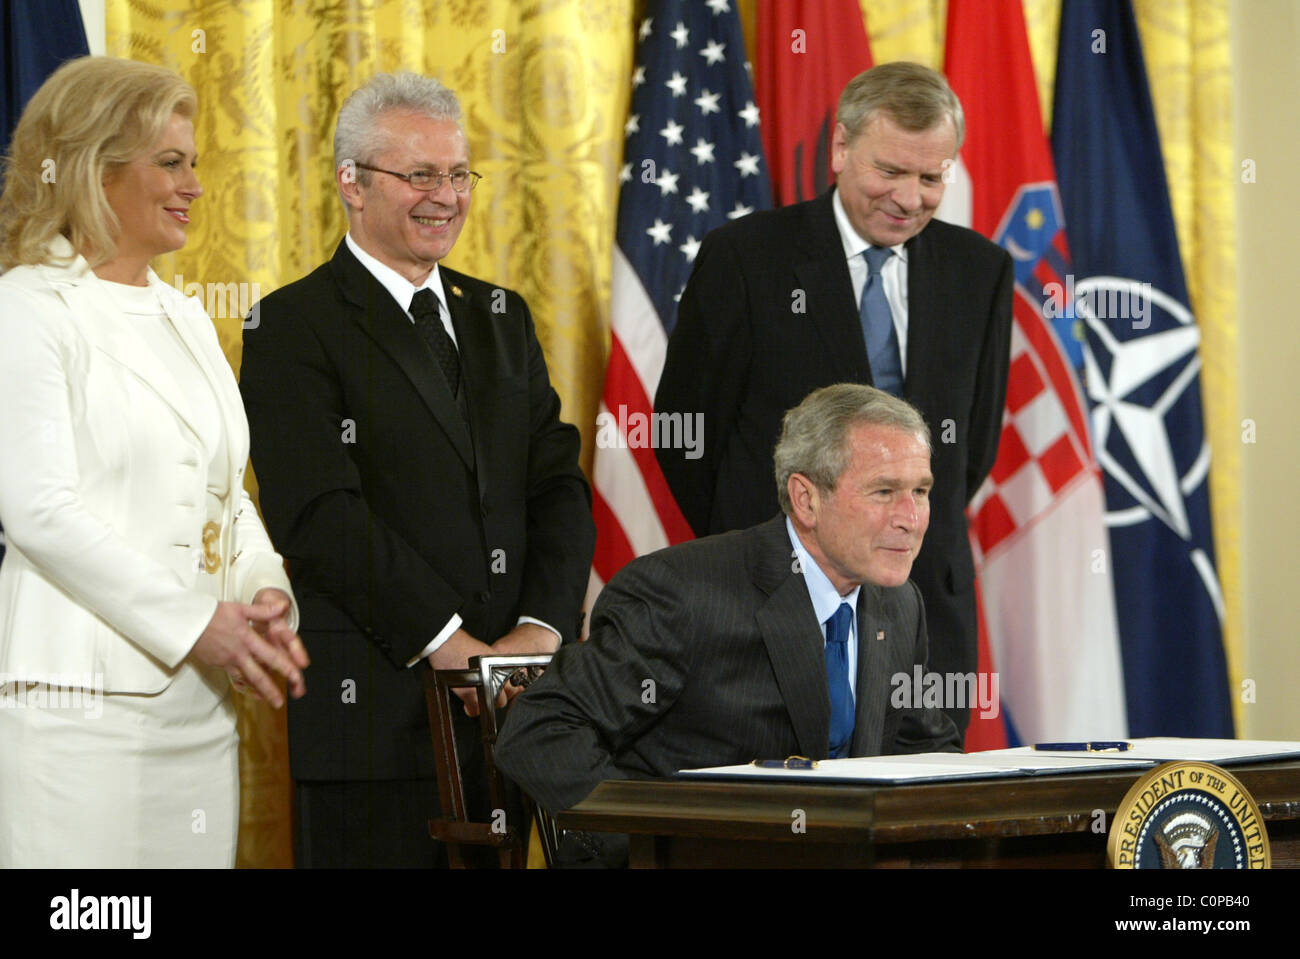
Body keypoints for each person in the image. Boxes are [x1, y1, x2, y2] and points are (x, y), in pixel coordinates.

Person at [239, 72, 595, 868]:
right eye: (420, 175)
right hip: (375, 722)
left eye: (459, 173)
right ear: (351, 184)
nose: (447, 196)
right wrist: (451, 642)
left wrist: (535, 631)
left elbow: (558, 486)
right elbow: (318, 512)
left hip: (518, 715)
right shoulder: (291, 325)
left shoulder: (502, 315)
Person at [0, 56, 307, 868]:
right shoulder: (26, 307)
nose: (194, 185)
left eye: (194, 162)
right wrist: (195, 622)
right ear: (93, 172)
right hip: (76, 716)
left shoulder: (184, 315)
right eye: (170, 163)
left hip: (197, 714)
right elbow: (37, 508)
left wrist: (261, 588)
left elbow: (226, 493)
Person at [653, 62, 1012, 737]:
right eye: (891, 171)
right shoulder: (746, 258)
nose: (911, 198)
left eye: (932, 177)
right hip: (767, 601)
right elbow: (682, 431)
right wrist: (763, 541)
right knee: (780, 820)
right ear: (841, 150)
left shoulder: (980, 269)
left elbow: (972, 445)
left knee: (923, 821)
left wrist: (891, 531)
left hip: (926, 602)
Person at [496, 384, 962, 856]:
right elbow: (543, 728)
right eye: (884, 491)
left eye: (920, 491)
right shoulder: (682, 593)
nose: (911, 517)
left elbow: (921, 746)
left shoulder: (899, 605)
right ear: (805, 499)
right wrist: (646, 848)